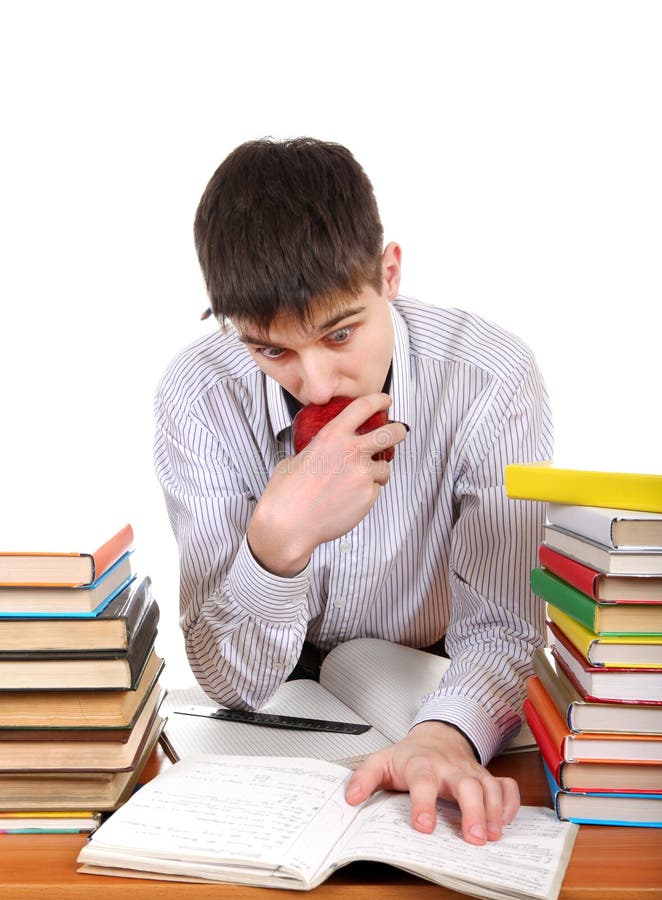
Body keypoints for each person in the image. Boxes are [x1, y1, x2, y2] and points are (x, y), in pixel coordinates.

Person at [154, 137, 553, 846]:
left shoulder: (490, 381)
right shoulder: (199, 395)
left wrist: (445, 737)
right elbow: (226, 680)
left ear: (388, 273)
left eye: (340, 335)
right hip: (282, 698)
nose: (315, 385)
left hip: (437, 677)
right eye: (272, 350)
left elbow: (506, 626)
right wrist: (276, 547)